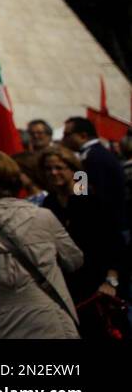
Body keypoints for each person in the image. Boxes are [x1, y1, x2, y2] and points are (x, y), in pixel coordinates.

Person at [0, 151, 82, 339]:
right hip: (51, 319)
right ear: (16, 179)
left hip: (2, 324)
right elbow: (74, 260)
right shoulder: (43, 216)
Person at [39, 144, 121, 336]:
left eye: (59, 168)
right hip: (67, 285)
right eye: (48, 168)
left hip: (97, 285)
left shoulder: (89, 200)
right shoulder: (49, 202)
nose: (53, 172)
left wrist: (111, 281)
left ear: (72, 169)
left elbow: (113, 243)